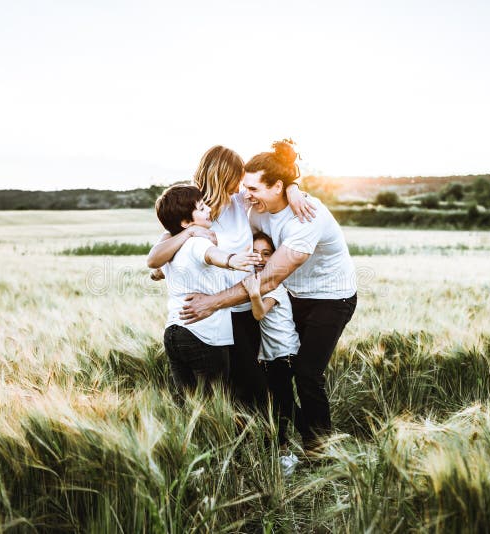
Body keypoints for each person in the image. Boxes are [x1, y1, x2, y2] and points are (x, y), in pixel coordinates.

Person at [180, 140, 357, 453]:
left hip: (332, 299)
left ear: (277, 187)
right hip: (295, 296)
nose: (244, 194)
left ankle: (321, 448)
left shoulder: (307, 217)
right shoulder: (257, 208)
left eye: (253, 189)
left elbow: (270, 277)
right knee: (279, 370)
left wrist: (212, 302)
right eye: (244, 187)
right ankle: (287, 441)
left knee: (307, 373)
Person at [147, 145, 315, 410]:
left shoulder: (239, 202)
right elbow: (154, 259)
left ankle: (261, 443)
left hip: (247, 304)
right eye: (238, 177)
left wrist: (293, 187)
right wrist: (188, 235)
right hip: (217, 315)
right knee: (234, 389)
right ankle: (236, 442)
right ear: (225, 177)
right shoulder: (194, 210)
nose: (243, 184)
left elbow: (271, 185)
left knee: (256, 385)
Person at [154, 184, 260, 398]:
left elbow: (158, 269)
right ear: (186, 223)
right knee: (214, 403)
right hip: (204, 334)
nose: (208, 210)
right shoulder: (196, 242)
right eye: (201, 208)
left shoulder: (172, 248)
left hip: (174, 331)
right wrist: (232, 260)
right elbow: (212, 255)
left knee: (186, 403)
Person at [242, 231, 300, 474]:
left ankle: (286, 453)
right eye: (255, 253)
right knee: (276, 404)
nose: (261, 258)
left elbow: (259, 314)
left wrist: (254, 294)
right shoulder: (259, 280)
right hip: (270, 356)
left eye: (267, 253)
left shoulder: (274, 285)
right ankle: (286, 447)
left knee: (281, 406)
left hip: (284, 354)